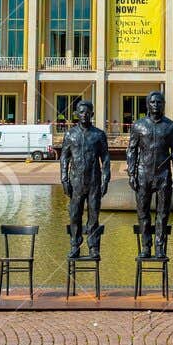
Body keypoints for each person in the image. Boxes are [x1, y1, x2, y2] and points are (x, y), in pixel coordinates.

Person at [125, 90, 173, 258]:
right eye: (153, 102)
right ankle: (146, 246)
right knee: (143, 213)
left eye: (159, 102)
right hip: (143, 173)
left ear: (163, 104)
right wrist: (131, 173)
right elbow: (131, 151)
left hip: (164, 175)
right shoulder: (138, 125)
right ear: (147, 104)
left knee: (163, 214)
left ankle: (159, 247)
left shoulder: (171, 126)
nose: (156, 105)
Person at [59, 100, 110, 259]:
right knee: (75, 215)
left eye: (87, 112)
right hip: (76, 182)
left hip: (94, 181)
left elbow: (106, 158)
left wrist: (105, 178)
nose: (84, 115)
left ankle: (93, 247)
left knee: (93, 216)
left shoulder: (98, 134)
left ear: (92, 114)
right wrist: (64, 179)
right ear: (76, 114)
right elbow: (64, 159)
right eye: (81, 112)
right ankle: (75, 245)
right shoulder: (70, 134)